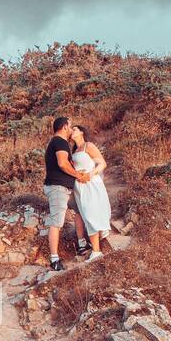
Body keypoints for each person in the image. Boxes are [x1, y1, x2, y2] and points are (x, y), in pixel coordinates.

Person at [43, 115, 90, 272]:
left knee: (78, 209)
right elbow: (62, 164)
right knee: (56, 222)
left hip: (64, 188)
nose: (70, 130)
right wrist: (78, 175)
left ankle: (82, 243)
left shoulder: (58, 143)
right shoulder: (60, 141)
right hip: (58, 188)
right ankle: (54, 259)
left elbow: (66, 164)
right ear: (64, 127)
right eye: (70, 127)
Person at [70, 124, 111, 259]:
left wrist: (90, 174)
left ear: (81, 132)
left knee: (91, 214)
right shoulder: (74, 152)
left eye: (74, 129)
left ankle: (96, 251)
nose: (71, 131)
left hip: (91, 184)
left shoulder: (88, 146)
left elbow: (102, 163)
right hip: (79, 187)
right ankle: (95, 249)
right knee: (86, 214)